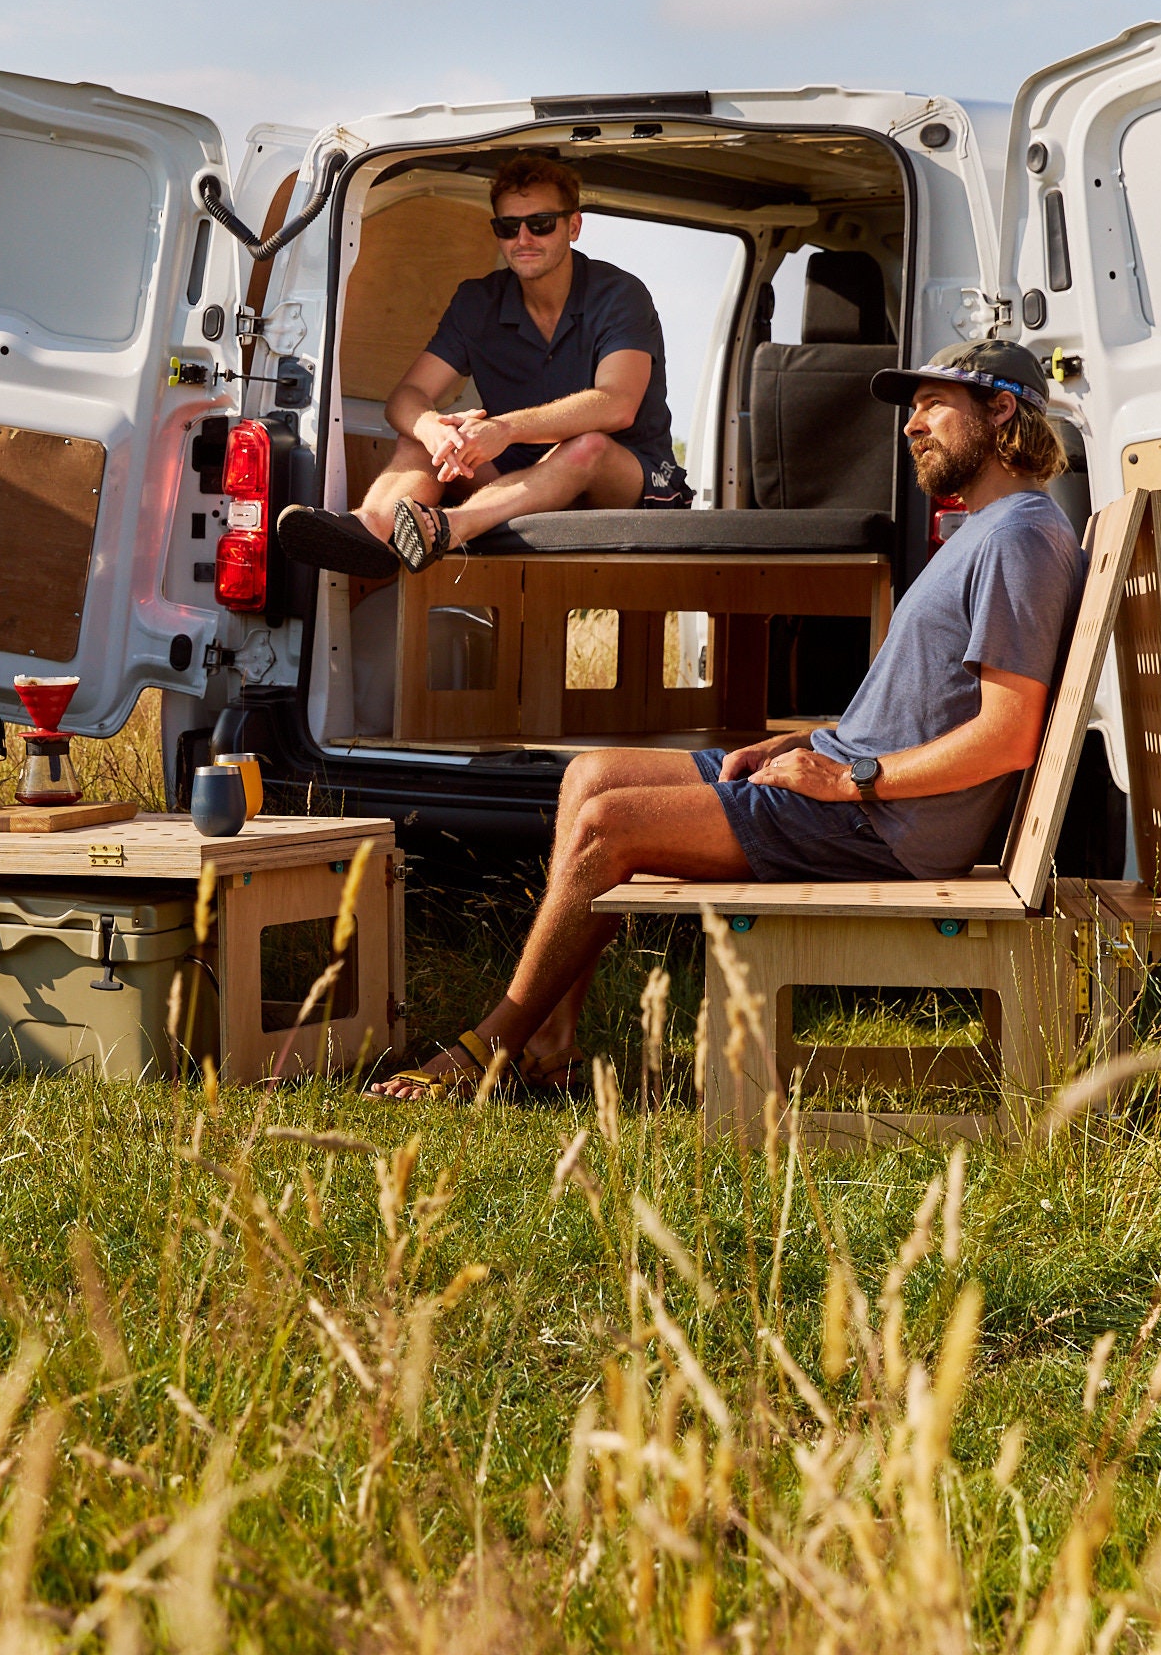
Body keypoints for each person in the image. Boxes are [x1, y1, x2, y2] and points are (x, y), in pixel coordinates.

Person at [369, 337, 1084, 1100]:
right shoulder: (987, 528)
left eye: (933, 406)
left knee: (611, 825)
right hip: (855, 787)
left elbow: (1009, 735)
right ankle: (550, 1039)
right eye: (912, 411)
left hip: (882, 825)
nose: (911, 427)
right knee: (592, 773)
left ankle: (492, 1045)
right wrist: (810, 742)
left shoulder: (1017, 538)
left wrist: (851, 779)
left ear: (1001, 409)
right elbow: (925, 706)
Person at [276, 153, 684, 578]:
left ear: (573, 226)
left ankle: (449, 530)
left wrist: (504, 429)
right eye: (508, 228)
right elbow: (405, 399)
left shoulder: (620, 295)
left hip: (630, 479)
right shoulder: (478, 301)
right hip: (520, 478)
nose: (523, 238)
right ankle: (373, 528)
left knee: (588, 446)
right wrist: (432, 427)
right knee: (428, 437)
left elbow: (617, 404)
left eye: (541, 224)